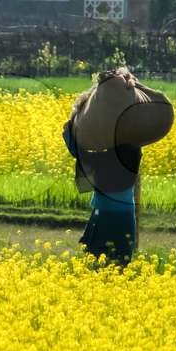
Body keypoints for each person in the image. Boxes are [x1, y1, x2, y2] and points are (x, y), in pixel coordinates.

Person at [63, 69, 145, 266]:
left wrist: (71, 127)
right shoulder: (132, 147)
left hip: (105, 212)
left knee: (99, 263)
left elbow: (79, 152)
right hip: (124, 213)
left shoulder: (103, 151)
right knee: (119, 264)